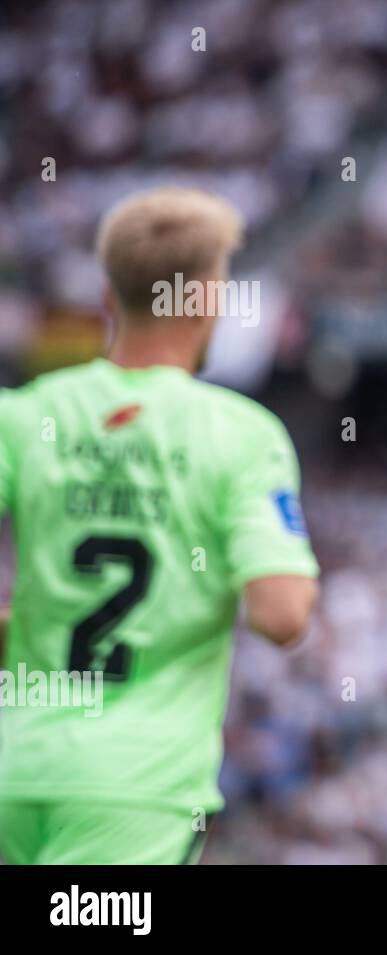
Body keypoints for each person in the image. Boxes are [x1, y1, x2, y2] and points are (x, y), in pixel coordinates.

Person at [0, 186, 320, 864]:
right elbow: (282, 613)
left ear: (109, 299)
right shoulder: (241, 433)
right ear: (206, 298)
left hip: (14, 762)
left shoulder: (27, 414)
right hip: (134, 785)